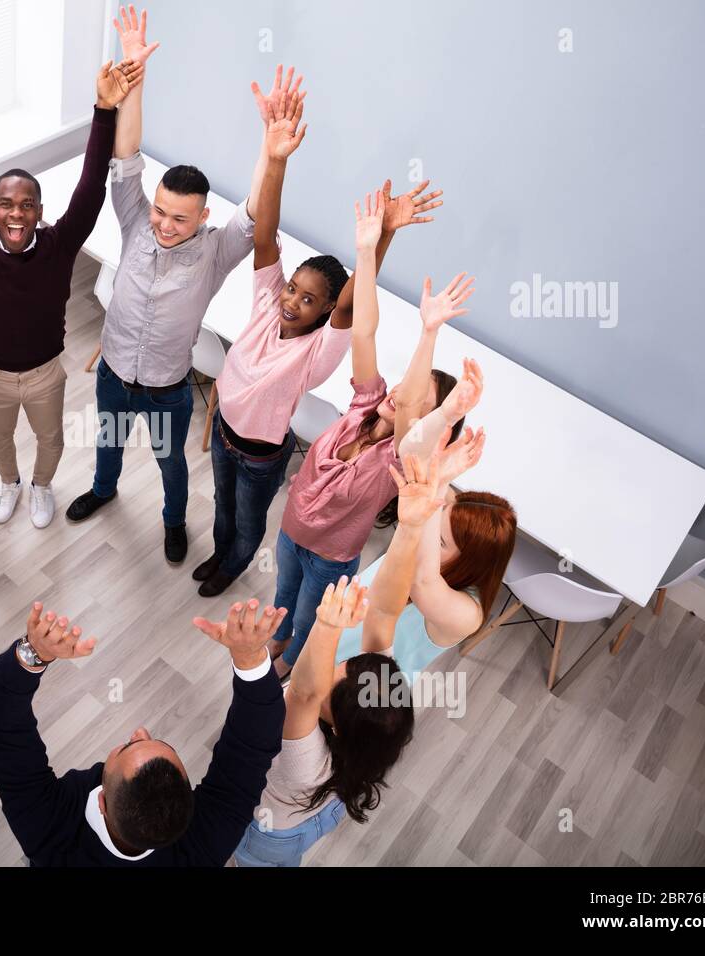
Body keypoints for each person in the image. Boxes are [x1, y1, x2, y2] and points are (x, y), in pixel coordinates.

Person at [197, 66, 444, 598]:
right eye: (293, 290)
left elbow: (356, 295)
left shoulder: (320, 350)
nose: (293, 301)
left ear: (327, 309)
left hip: (262, 455)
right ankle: (220, 553)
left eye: (309, 300)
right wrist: (277, 160)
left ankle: (234, 562)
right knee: (221, 504)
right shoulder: (268, 300)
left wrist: (383, 236)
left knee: (246, 518)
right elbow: (264, 230)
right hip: (223, 432)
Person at [66, 6, 266, 564]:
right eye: (161, 211)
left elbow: (255, 212)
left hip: (167, 390)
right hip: (113, 372)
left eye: (180, 218)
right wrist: (135, 74)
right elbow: (126, 154)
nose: (165, 224)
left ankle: (174, 522)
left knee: (170, 463)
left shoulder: (215, 253)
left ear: (203, 217)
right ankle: (104, 491)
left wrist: (272, 152)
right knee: (106, 442)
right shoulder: (135, 221)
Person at [0, 35, 142, 528]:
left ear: (39, 212)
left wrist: (104, 110)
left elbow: (91, 184)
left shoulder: (59, 246)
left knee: (51, 441)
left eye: (26, 205)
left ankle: (41, 487)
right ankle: (10, 484)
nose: (16, 213)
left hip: (45, 375)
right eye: (6, 204)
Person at [268, 190, 477, 679]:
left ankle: (289, 670)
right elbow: (362, 333)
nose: (400, 392)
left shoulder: (404, 460)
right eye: (405, 383)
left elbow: (411, 418)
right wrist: (367, 250)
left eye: (415, 400)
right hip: (291, 530)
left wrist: (430, 333)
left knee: (306, 623)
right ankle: (276, 643)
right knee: (282, 598)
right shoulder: (366, 400)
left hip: (329, 560)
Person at [235, 450, 449, 867]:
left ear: (333, 714)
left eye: (337, 679)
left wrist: (327, 624)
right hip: (321, 813)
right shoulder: (372, 715)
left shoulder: (305, 760)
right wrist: (409, 525)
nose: (340, 665)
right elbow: (385, 608)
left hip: (270, 832)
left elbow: (301, 692)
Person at [0, 591, 287, 866]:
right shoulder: (204, 845)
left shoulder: (47, 830)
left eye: (128, 746)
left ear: (102, 804)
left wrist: (34, 653)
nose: (139, 731)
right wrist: (249, 659)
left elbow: (1, 721)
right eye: (155, 741)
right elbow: (251, 746)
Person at [331, 418, 518, 679]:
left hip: (361, 692)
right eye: (436, 518)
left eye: (439, 542)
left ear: (470, 562)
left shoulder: (467, 614)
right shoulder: (443, 517)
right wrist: (450, 413)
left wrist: (438, 485)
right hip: (331, 637)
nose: (423, 536)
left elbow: (422, 579)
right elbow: (409, 454)